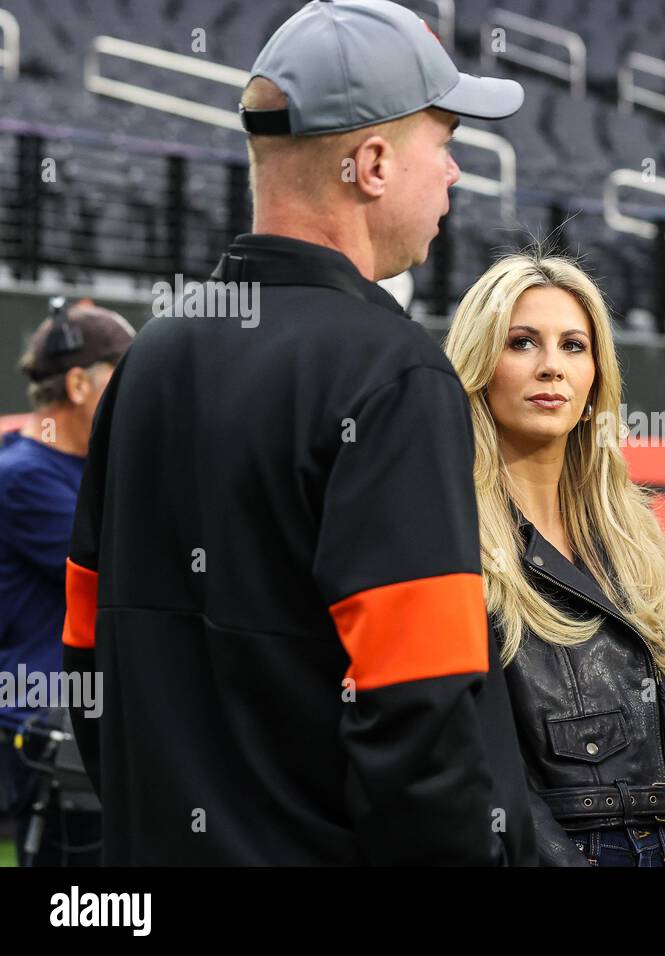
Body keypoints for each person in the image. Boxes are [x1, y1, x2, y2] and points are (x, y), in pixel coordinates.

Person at [61, 0, 534, 865]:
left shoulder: (148, 359)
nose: (456, 172)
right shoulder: (394, 375)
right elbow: (420, 711)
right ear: (374, 163)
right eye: (444, 139)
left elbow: (88, 655)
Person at [443, 250, 665, 867]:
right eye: (522, 342)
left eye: (574, 346)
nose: (552, 366)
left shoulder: (631, 538)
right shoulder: (446, 535)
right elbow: (474, 762)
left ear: (597, 375)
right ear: (478, 365)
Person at [0, 298, 133, 865]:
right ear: (79, 384)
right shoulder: (23, 476)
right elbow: (127, 574)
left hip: (78, 726)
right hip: (44, 732)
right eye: (124, 378)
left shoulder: (76, 469)